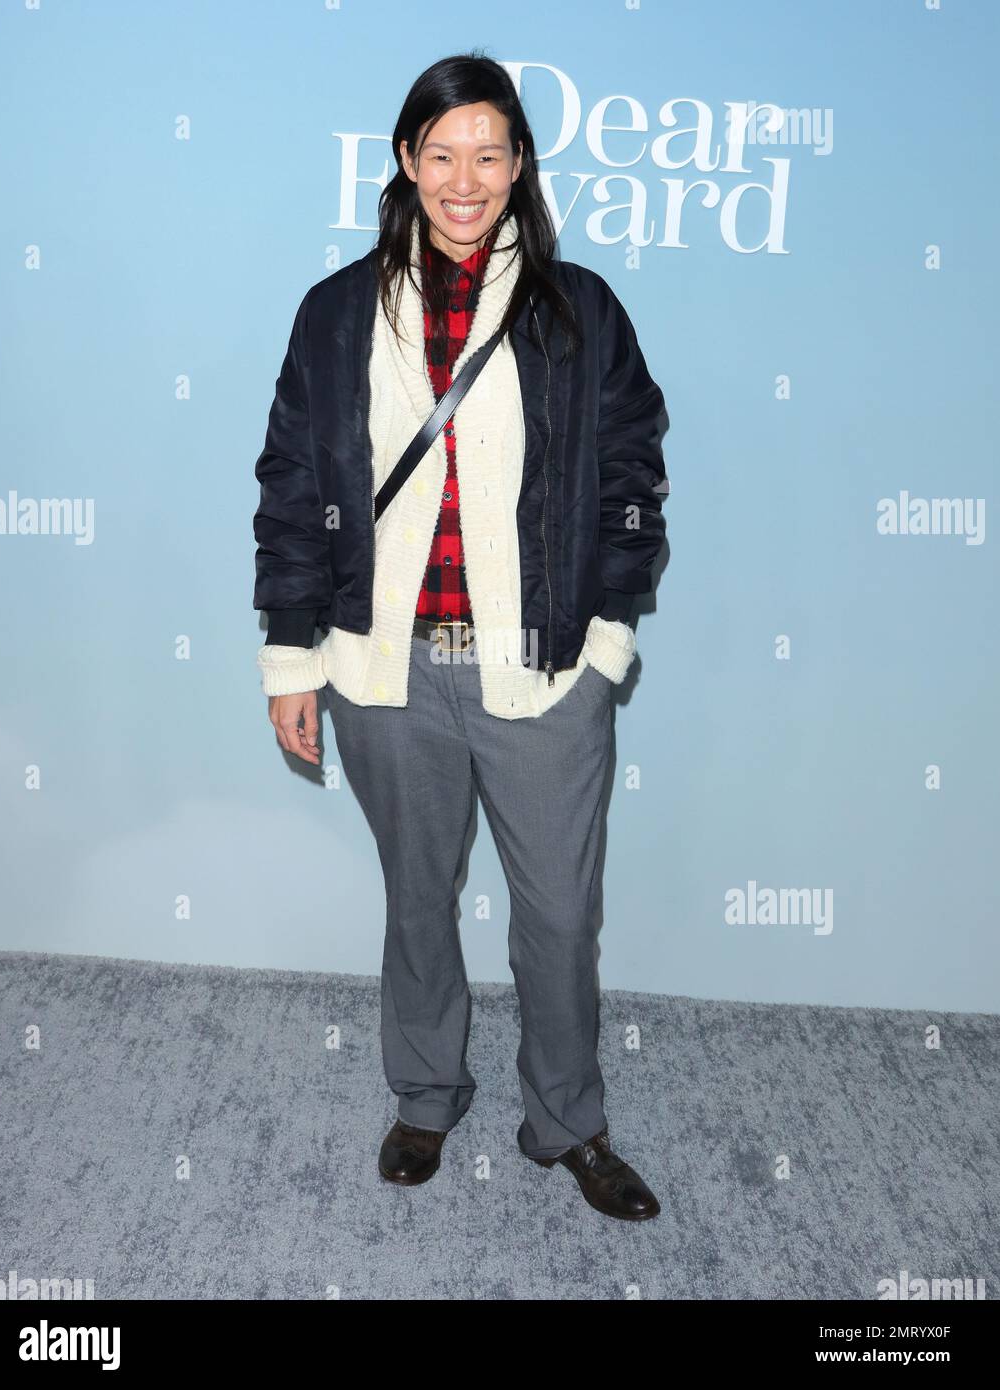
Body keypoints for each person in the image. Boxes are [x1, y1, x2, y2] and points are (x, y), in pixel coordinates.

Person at [252, 52, 670, 1222]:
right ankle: (426, 1094)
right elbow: (292, 487)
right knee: (416, 901)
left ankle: (568, 1121)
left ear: (519, 163)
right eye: (440, 152)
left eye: (488, 151)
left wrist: (605, 638)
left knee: (557, 915)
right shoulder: (337, 312)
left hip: (537, 672)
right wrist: (291, 659)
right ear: (404, 161)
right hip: (383, 672)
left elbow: (633, 474)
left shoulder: (577, 308)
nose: (463, 177)